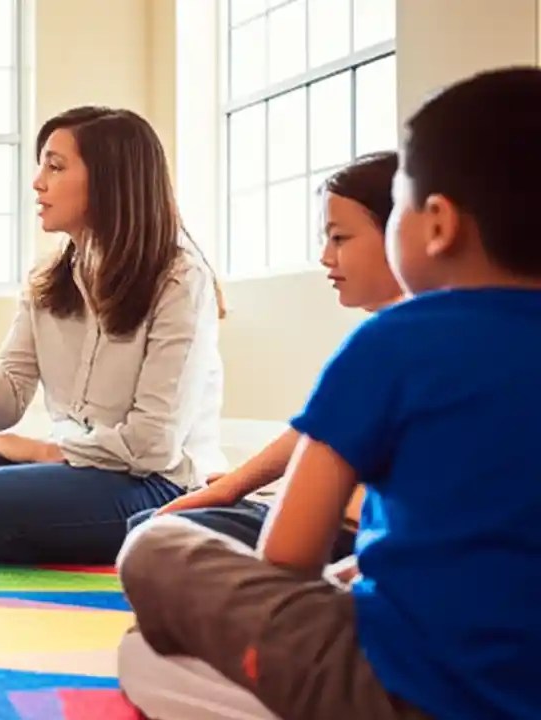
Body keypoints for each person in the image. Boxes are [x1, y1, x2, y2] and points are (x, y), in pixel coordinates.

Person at [117, 66, 541, 720]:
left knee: (154, 555)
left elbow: (287, 557)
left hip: (397, 690)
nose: (327, 255)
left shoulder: (394, 343)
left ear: (438, 224)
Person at [0, 106, 227, 564]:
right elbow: (4, 409)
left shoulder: (179, 279)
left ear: (110, 181)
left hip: (152, 480)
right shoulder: (50, 277)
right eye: (41, 164)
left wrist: (40, 451)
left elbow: (152, 445)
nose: (38, 182)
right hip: (76, 464)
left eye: (56, 166)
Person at [124, 152, 403, 568]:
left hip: (367, 537)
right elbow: (315, 431)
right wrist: (229, 488)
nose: (326, 257)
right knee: (151, 530)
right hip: (344, 527)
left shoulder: (406, 338)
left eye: (340, 238)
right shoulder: (385, 337)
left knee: (156, 542)